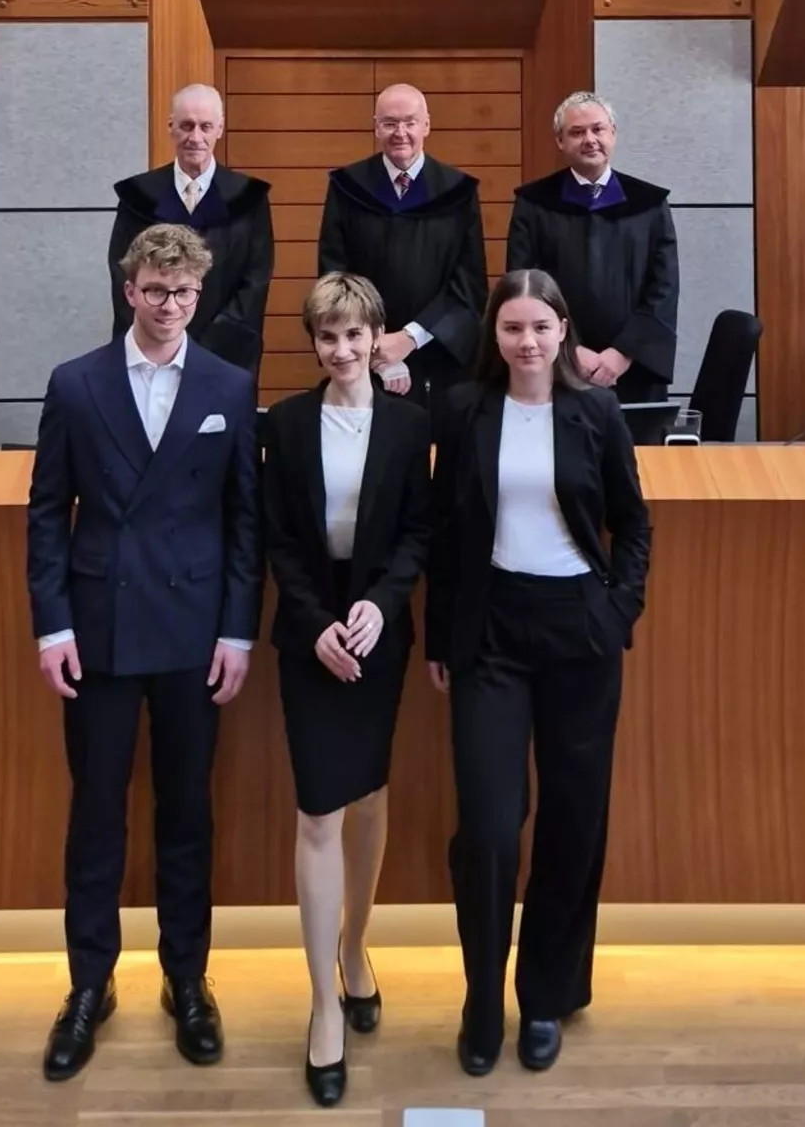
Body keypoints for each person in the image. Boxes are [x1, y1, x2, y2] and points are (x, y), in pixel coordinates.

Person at [27, 222, 262, 1083]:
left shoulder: (230, 387)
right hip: (98, 633)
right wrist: (51, 626)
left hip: (195, 634)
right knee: (95, 815)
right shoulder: (77, 384)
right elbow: (49, 512)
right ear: (130, 290)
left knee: (186, 811)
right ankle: (89, 985)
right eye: (157, 291)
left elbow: (246, 522)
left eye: (185, 294)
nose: (170, 306)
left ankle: (186, 978)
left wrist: (239, 629)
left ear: (200, 297)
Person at [426, 268, 651, 1080]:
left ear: (563, 333)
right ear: (495, 334)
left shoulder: (595, 411)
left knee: (571, 822)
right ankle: (482, 995)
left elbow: (632, 523)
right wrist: (440, 641)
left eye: (541, 327)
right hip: (490, 634)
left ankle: (547, 994)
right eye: (512, 327)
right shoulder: (462, 409)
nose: (527, 341)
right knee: (487, 828)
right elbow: (446, 533)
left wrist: (616, 610)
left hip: (579, 634)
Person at [262, 274, 430, 1108]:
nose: (341, 350)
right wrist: (316, 619)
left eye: (354, 336)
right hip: (310, 635)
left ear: (376, 338)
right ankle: (324, 1001)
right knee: (317, 808)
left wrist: (378, 605)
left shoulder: (410, 424)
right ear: (315, 343)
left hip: (377, 633)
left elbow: (417, 533)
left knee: (367, 795)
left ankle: (357, 949)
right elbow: (279, 540)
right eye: (327, 337)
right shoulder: (287, 425)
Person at [318, 83, 487, 405]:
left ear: (426, 125)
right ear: (376, 127)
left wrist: (410, 338)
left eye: (410, 122)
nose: (401, 132)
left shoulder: (458, 192)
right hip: (364, 357)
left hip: (439, 357)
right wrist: (375, 346)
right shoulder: (347, 188)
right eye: (390, 123)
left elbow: (469, 286)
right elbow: (334, 278)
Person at [506, 91, 678, 401]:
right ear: (560, 141)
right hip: (556, 365)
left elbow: (663, 289)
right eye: (577, 132)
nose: (590, 139)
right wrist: (569, 350)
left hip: (632, 368)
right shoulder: (534, 204)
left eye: (598, 129)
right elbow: (524, 287)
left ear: (613, 133)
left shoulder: (649, 204)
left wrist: (623, 352)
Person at [108, 83, 273, 377]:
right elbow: (124, 272)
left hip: (227, 353)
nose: (195, 137)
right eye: (186, 126)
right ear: (171, 127)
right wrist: (162, 335)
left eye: (205, 126)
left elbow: (255, 281)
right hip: (151, 349)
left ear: (220, 129)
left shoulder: (248, 199)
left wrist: (207, 343)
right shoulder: (138, 198)